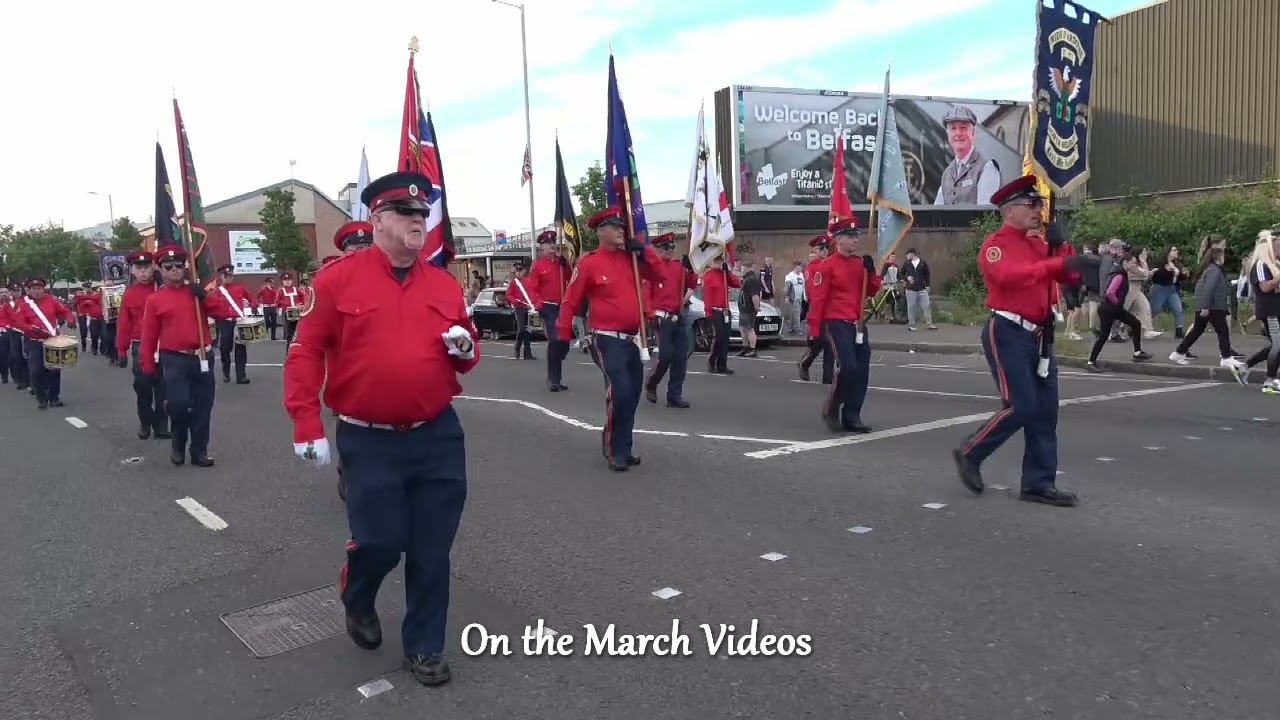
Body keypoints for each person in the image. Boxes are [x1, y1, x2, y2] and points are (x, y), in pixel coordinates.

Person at [284, 170, 479, 687]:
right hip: (368, 437)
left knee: (432, 549)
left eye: (423, 214)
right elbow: (304, 353)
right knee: (379, 542)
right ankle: (358, 591)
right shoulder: (337, 280)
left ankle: (425, 647)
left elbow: (464, 353)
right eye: (406, 214)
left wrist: (466, 348)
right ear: (376, 220)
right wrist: (307, 423)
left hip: (436, 432)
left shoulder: (442, 284)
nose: (418, 222)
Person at [952, 175, 1100, 508]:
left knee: (1046, 411)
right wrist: (1056, 261)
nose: (1039, 210)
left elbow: (1066, 277)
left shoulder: (1037, 243)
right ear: (1010, 210)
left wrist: (1063, 249)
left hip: (1038, 334)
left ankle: (1038, 482)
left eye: (1041, 203)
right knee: (1022, 405)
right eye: (1032, 204)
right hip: (1007, 331)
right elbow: (1010, 276)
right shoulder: (996, 245)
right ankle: (971, 451)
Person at [558, 205, 663, 471]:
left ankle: (624, 447)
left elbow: (660, 276)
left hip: (632, 339)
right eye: (616, 227)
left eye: (622, 227)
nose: (621, 230)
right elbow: (571, 299)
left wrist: (644, 250)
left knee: (632, 394)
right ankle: (613, 448)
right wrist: (562, 332)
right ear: (601, 231)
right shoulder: (590, 263)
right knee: (620, 391)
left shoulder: (632, 260)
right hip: (605, 339)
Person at [138, 246, 240, 467]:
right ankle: (178, 442)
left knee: (204, 406)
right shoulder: (155, 300)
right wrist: (147, 367)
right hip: (174, 359)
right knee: (178, 404)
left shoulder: (196, 293)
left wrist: (205, 297)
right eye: (168, 266)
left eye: (178, 265)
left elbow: (224, 313)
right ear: (161, 270)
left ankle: (199, 451)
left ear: (185, 267)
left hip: (202, 356)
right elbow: (148, 336)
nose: (174, 269)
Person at [812, 219, 881, 432]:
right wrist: (815, 330)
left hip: (857, 322)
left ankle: (852, 416)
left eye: (856, 236)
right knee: (848, 367)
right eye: (851, 236)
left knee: (861, 370)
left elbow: (870, 291)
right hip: (836, 322)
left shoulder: (860, 263)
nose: (856, 239)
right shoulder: (826, 266)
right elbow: (818, 299)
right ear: (838, 239)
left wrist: (871, 272)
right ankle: (833, 405)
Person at [115, 251, 170, 440]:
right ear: (132, 270)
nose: (143, 272)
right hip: (141, 345)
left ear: (153, 267)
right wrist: (121, 350)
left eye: (147, 267)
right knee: (142, 386)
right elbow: (124, 323)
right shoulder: (129, 294)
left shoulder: (163, 289)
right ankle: (146, 421)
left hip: (164, 343)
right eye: (139, 268)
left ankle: (161, 425)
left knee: (163, 387)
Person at [643, 233, 698, 408]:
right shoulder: (651, 267)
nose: (670, 250)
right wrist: (650, 314)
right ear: (657, 249)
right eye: (666, 247)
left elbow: (691, 283)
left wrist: (690, 269)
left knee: (681, 357)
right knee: (665, 355)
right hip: (661, 317)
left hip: (677, 315)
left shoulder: (678, 266)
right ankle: (652, 382)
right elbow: (645, 294)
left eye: (672, 247)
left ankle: (674, 395)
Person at [1086, 247, 1153, 371]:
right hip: (1108, 309)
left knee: (1135, 323)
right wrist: (1117, 303)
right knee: (1103, 336)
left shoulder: (1122, 273)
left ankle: (1137, 353)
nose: (1134, 265)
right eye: (1132, 263)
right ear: (1125, 263)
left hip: (1114, 309)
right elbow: (1110, 292)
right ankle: (1091, 362)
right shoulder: (1119, 275)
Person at [16, 277, 77, 409]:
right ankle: (41, 397)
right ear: (29, 290)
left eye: (39, 288)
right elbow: (19, 322)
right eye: (34, 289)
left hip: (52, 340)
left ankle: (54, 397)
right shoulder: (22, 303)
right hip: (35, 341)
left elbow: (65, 311)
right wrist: (30, 328)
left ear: (43, 289)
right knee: (35, 371)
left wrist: (71, 319)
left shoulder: (51, 300)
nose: (37, 291)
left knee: (54, 370)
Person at [530, 230, 573, 391]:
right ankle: (553, 378)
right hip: (548, 306)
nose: (552, 245)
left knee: (565, 341)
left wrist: (567, 264)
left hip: (563, 306)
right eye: (547, 243)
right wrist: (538, 303)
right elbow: (532, 288)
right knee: (555, 340)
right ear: (542, 247)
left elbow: (572, 278)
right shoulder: (538, 265)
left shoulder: (562, 263)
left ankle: (556, 374)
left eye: (553, 242)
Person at [1239, 229, 1280, 392]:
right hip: (1270, 310)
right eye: (1277, 246)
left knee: (1276, 346)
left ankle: (1245, 366)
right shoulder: (1261, 264)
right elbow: (1265, 287)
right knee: (1277, 345)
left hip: (1277, 308)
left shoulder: (1274, 264)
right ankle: (1269, 381)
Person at [798, 234, 834, 384]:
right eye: (821, 248)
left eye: (827, 248)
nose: (825, 251)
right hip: (818, 310)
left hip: (832, 310)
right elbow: (814, 291)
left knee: (830, 346)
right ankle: (805, 363)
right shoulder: (812, 268)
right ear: (814, 250)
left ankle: (828, 379)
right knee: (820, 342)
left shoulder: (830, 263)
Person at [213, 264, 257, 384]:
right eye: (226, 276)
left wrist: (253, 307)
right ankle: (226, 372)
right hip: (225, 322)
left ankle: (241, 375)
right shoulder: (217, 291)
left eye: (230, 276)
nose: (228, 278)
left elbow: (252, 298)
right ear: (221, 276)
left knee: (241, 348)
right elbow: (212, 306)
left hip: (239, 321)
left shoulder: (240, 288)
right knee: (225, 348)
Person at [701, 249, 742, 375]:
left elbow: (737, 283)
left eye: (720, 260)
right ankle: (711, 360)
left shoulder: (724, 274)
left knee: (725, 339)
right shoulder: (708, 276)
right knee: (717, 338)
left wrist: (728, 271)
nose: (719, 262)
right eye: (716, 260)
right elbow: (707, 296)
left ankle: (722, 364)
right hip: (715, 311)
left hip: (725, 311)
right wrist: (708, 314)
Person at [505, 260, 537, 360]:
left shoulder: (528, 281)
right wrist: (514, 301)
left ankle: (528, 352)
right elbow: (508, 295)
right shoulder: (514, 283)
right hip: (519, 308)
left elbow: (533, 293)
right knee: (522, 329)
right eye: (517, 271)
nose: (518, 272)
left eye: (520, 270)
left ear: (524, 271)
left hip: (528, 308)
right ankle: (517, 347)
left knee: (528, 330)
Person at [4, 283, 28, 390]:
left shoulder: (26, 301)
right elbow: (3, 318)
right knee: (16, 356)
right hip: (13, 332)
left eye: (17, 290)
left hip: (26, 331)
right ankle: (20, 380)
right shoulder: (7, 305)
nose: (15, 293)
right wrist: (8, 325)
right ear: (9, 292)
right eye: (13, 291)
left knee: (27, 356)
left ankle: (29, 380)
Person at [279, 273, 305, 344]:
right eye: (285, 280)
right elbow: (277, 302)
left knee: (299, 331)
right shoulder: (281, 291)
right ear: (283, 281)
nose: (287, 281)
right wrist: (285, 304)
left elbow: (304, 297)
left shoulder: (296, 289)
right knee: (289, 333)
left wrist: (300, 304)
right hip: (287, 313)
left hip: (297, 312)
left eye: (289, 280)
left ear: (291, 281)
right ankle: (289, 350)